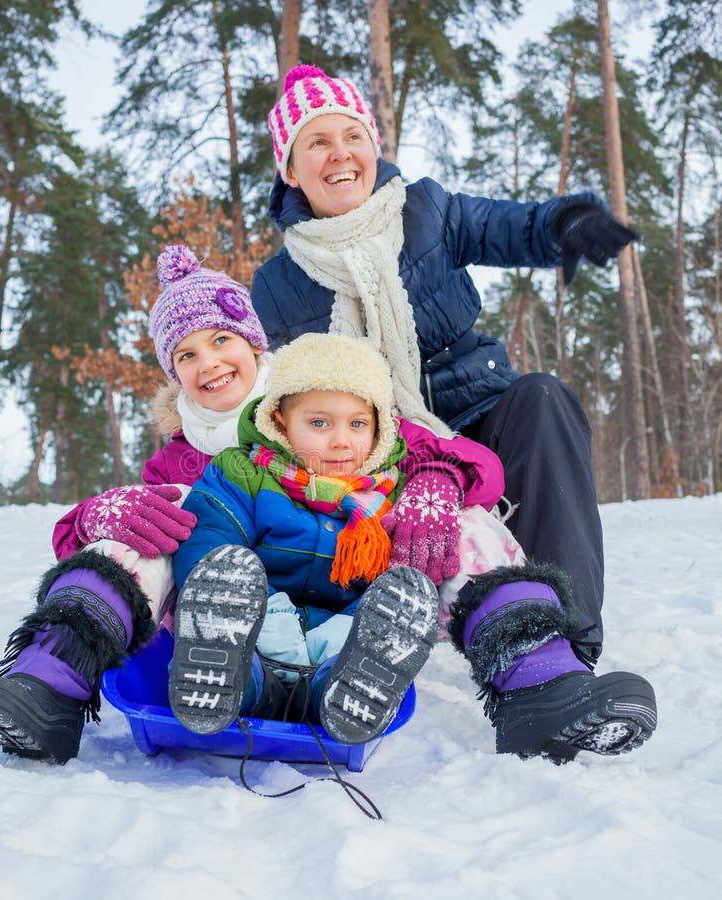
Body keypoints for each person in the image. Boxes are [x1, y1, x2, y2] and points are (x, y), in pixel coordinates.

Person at [250, 65, 657, 760]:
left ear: (373, 145)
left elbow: (511, 226)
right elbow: (272, 399)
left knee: (543, 398)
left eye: (352, 135)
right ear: (290, 169)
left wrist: (566, 222)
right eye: (316, 142)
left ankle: (562, 658)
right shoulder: (278, 285)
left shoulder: (426, 211)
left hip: (480, 410)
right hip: (382, 448)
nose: (340, 153)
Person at [0, 244, 277, 764]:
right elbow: (83, 542)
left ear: (254, 343)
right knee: (146, 528)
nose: (208, 363)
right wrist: (96, 516)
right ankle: (47, 691)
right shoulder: (174, 462)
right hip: (205, 628)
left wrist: (419, 487)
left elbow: (403, 443)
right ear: (174, 373)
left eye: (221, 339)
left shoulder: (314, 412)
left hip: (311, 599)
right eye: (186, 355)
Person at [169, 331, 521, 745]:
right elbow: (211, 534)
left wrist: (367, 620)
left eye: (357, 424)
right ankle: (223, 688)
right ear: (279, 422)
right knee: (243, 661)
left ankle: (345, 699)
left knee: (354, 652)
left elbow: (394, 584)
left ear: (379, 428)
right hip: (255, 630)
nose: (340, 441)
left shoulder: (390, 492)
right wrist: (258, 604)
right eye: (319, 423)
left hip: (343, 642)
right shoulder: (244, 472)